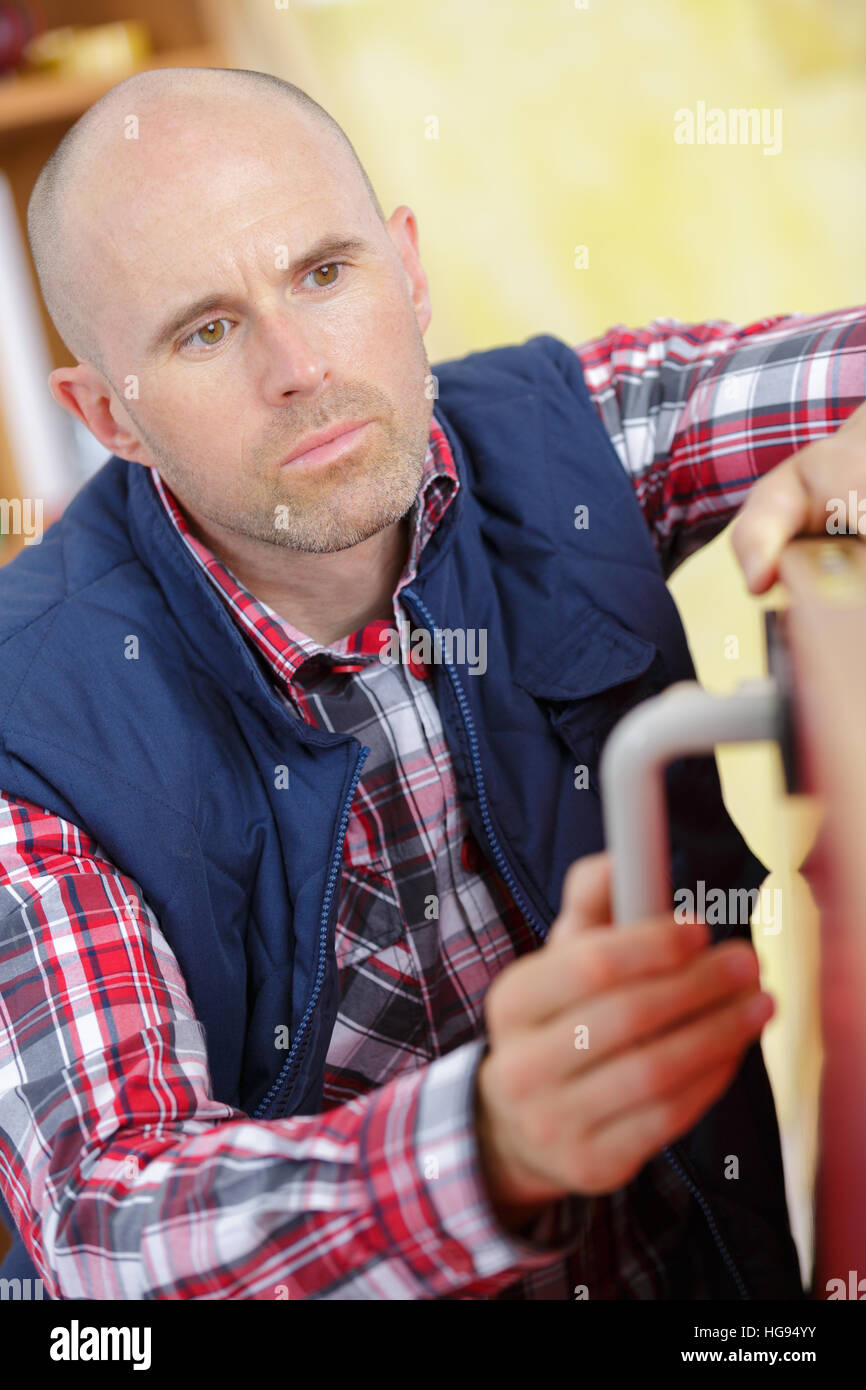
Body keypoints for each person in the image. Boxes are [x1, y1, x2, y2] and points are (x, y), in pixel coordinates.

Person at [0, 65, 863, 1300]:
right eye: (204, 329)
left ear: (405, 269)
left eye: (322, 272)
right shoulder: (29, 727)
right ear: (109, 415)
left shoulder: (561, 445)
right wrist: (489, 1147)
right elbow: (108, 1228)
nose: (297, 365)